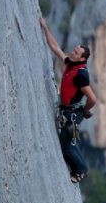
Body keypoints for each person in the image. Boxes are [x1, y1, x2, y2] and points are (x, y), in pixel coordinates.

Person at [39, 17, 97, 183]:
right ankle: (80, 167)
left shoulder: (81, 74)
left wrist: (85, 110)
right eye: (74, 50)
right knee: (69, 143)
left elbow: (92, 98)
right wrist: (45, 28)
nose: (73, 52)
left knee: (67, 146)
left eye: (76, 53)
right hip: (68, 110)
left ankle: (80, 170)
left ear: (82, 59)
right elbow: (56, 48)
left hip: (73, 114)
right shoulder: (72, 64)